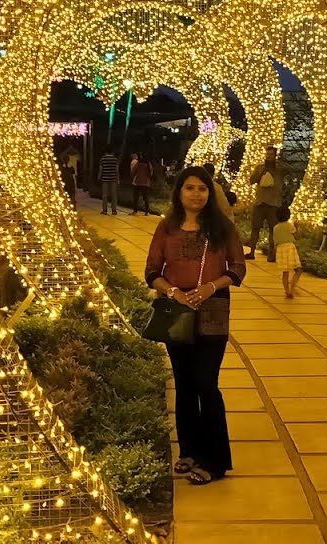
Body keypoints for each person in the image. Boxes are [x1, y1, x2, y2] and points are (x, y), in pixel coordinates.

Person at [145, 167, 246, 486]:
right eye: (189, 188)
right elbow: (151, 271)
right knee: (185, 384)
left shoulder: (222, 228)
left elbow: (238, 268)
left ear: (210, 193)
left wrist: (210, 287)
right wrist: (174, 292)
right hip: (177, 311)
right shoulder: (167, 227)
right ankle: (188, 451)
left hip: (213, 309)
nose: (196, 194)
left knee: (206, 383)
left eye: (202, 189)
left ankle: (214, 461)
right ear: (179, 192)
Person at [245, 146, 288, 261]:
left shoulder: (279, 168)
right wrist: (261, 172)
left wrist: (277, 164)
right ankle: (251, 252)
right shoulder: (260, 167)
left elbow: (289, 170)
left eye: (271, 155)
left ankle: (271, 254)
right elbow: (251, 180)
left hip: (273, 203)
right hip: (260, 202)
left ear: (275, 155)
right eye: (267, 154)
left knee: (273, 229)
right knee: (255, 228)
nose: (268, 157)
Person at [273, 207, 303, 298]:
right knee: (298, 269)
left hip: (280, 249)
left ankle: (287, 291)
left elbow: (275, 240)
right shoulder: (289, 225)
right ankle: (292, 286)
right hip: (289, 248)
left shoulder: (276, 227)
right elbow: (295, 233)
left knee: (285, 272)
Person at [98, 146, 120, 215]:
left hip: (105, 179)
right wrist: (118, 179)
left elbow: (100, 170)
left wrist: (99, 177)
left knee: (105, 195)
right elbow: (117, 170)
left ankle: (104, 210)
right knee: (114, 195)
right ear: (112, 152)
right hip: (113, 179)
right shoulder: (115, 159)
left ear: (105, 151)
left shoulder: (102, 159)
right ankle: (114, 210)